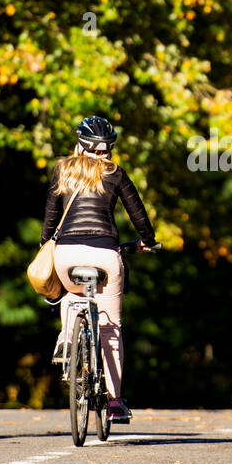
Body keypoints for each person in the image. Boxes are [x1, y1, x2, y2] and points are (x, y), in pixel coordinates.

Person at [40, 116, 156, 423]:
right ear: (108, 150)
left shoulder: (63, 169)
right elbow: (138, 215)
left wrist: (45, 245)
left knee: (69, 289)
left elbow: (50, 219)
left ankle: (67, 335)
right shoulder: (115, 173)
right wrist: (147, 241)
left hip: (66, 254)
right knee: (111, 329)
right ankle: (115, 401)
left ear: (80, 145)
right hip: (105, 255)